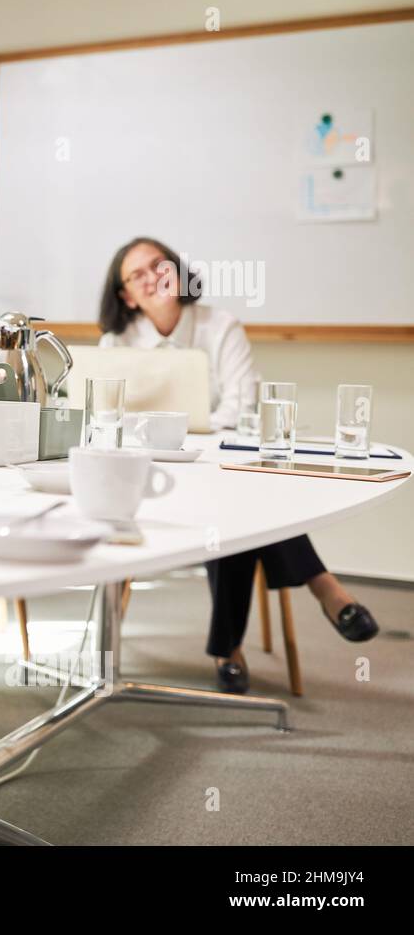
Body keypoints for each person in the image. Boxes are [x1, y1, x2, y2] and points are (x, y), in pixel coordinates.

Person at [97, 237, 378, 694]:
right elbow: (111, 418)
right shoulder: (117, 342)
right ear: (126, 295)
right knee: (246, 502)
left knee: (234, 503)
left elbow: (242, 405)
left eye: (159, 265)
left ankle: (229, 649)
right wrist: (184, 432)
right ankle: (325, 588)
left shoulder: (219, 325)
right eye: (137, 275)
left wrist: (180, 431)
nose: (153, 277)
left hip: (219, 467)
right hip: (154, 474)